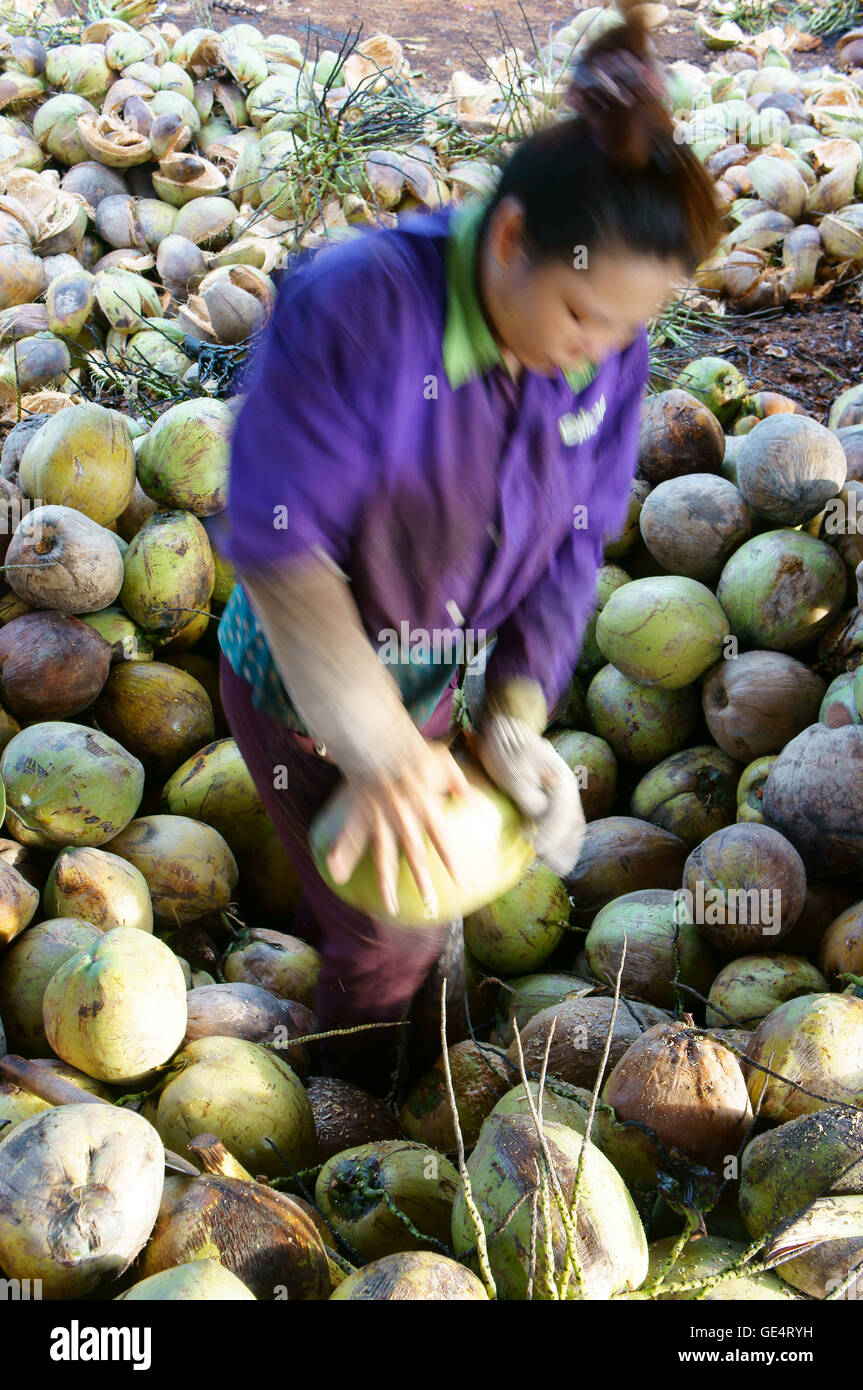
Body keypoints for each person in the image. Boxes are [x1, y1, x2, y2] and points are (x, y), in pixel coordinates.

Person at [217, 0, 722, 1093]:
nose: (601, 353)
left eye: (627, 330)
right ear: (505, 243)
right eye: (585, 315)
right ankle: (339, 1096)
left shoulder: (600, 356)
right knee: (384, 930)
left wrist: (514, 720)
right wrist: (377, 744)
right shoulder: (356, 306)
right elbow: (277, 545)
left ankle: (397, 1028)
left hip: (439, 669)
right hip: (301, 691)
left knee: (432, 906)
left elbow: (571, 549)